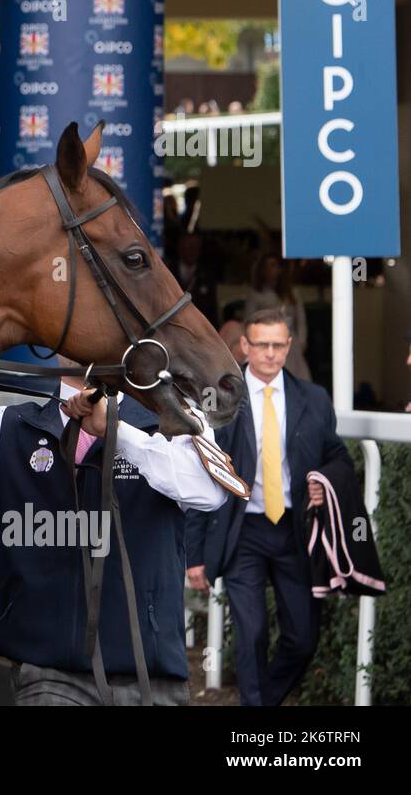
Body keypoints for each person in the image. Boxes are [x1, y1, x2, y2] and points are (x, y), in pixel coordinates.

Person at [0, 358, 227, 705]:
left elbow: (209, 491)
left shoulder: (175, 419)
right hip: (51, 674)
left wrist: (117, 432)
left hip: (151, 674)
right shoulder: (10, 428)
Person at [185, 309, 354, 706]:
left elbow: (338, 457)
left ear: (289, 346)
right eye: (262, 345)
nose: (270, 354)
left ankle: (263, 700)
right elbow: (199, 477)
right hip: (243, 532)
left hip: (295, 531)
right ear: (245, 346)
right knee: (252, 633)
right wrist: (194, 556)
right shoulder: (220, 400)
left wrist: (323, 482)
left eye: (279, 345)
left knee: (302, 637)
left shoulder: (313, 398)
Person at [244, 253, 310, 382]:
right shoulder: (256, 294)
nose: (272, 270)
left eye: (275, 265)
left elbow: (301, 320)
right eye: (268, 266)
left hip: (292, 343)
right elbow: (248, 321)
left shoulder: (292, 293)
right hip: (266, 342)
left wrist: (302, 341)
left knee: (296, 379)